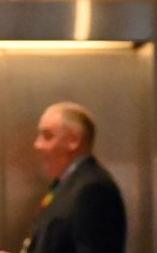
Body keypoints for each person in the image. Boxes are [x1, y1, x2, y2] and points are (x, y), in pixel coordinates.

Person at [1, 102, 126, 253]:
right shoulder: (66, 184)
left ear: (73, 141)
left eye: (47, 136)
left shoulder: (92, 189)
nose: (37, 145)